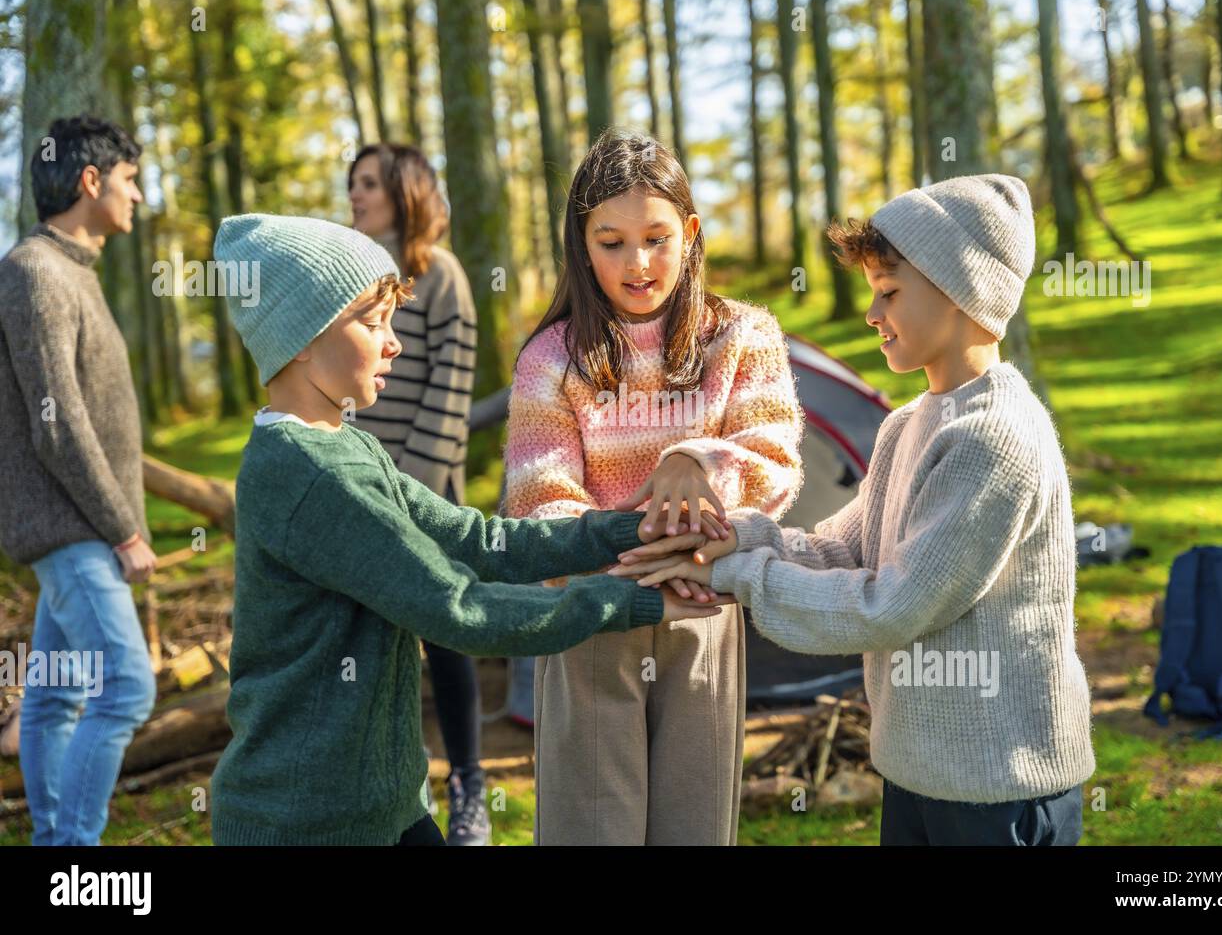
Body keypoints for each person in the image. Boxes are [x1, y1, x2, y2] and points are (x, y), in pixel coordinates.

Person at [207, 213, 724, 845]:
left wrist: (621, 531)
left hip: (384, 806)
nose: (394, 342)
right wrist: (634, 601)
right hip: (304, 821)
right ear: (303, 339)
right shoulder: (309, 473)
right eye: (372, 323)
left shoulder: (349, 447)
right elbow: (456, 608)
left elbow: (477, 541)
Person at [613, 174, 1097, 846]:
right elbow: (841, 549)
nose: (871, 313)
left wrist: (736, 577)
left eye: (890, 292)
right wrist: (733, 538)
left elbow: (896, 604)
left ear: (961, 291)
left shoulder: (994, 436)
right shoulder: (908, 424)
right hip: (916, 773)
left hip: (1000, 789)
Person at [504, 128, 803, 845]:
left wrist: (697, 460)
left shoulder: (743, 337)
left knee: (693, 826)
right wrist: (644, 568)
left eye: (657, 238)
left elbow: (773, 460)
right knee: (592, 828)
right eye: (611, 243)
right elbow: (539, 497)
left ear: (691, 233)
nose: (638, 264)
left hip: (702, 616)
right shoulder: (551, 358)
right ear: (581, 243)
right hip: (588, 620)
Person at [0, 114, 155, 845]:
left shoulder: (71, 272)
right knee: (127, 687)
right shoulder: (35, 272)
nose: (138, 195)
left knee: (55, 700)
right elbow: (56, 424)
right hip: (71, 531)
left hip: (78, 528)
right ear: (90, 181)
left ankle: (52, 848)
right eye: (129, 179)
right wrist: (123, 527)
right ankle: (70, 855)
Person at [347, 142, 488, 845]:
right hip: (361, 491)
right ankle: (402, 787)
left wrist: (408, 495)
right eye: (353, 185)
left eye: (368, 183)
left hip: (424, 490)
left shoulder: (443, 275)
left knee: (446, 636)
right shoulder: (358, 278)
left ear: (406, 191)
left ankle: (470, 786)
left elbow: (450, 390)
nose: (356, 196)